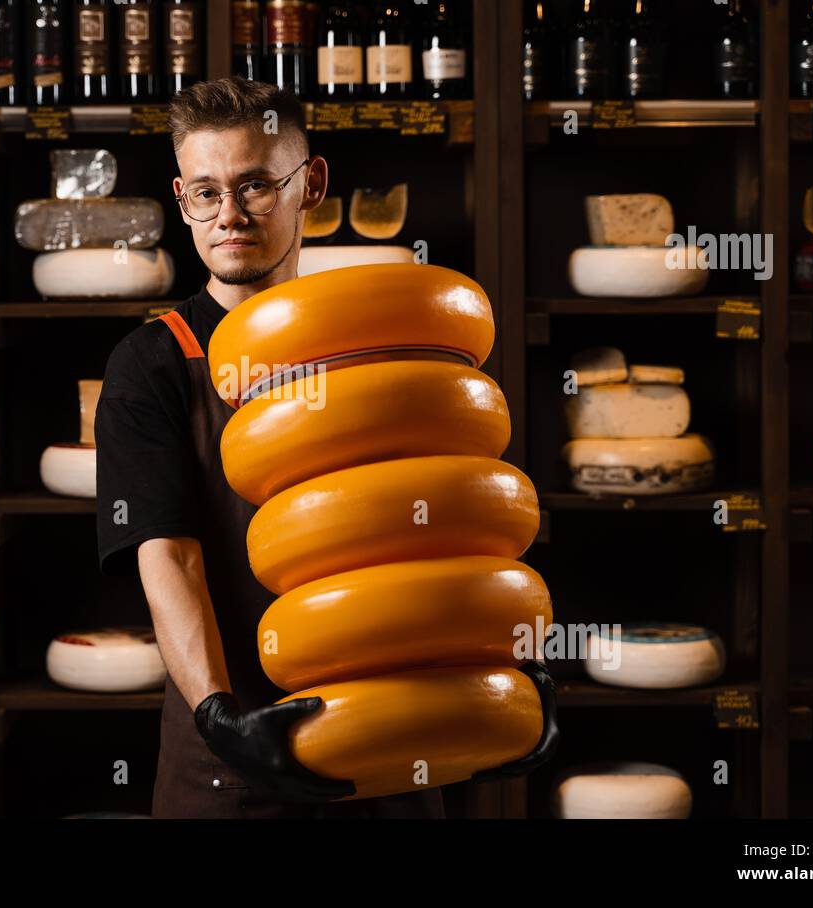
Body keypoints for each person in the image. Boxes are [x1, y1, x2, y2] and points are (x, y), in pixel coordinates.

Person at [95, 77, 555, 819]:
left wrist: (512, 668)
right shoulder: (150, 364)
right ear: (182, 199)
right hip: (234, 765)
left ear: (310, 185)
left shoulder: (386, 347)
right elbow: (169, 558)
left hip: (394, 741)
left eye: (255, 186)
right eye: (206, 193)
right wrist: (220, 713)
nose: (230, 216)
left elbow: (454, 525)